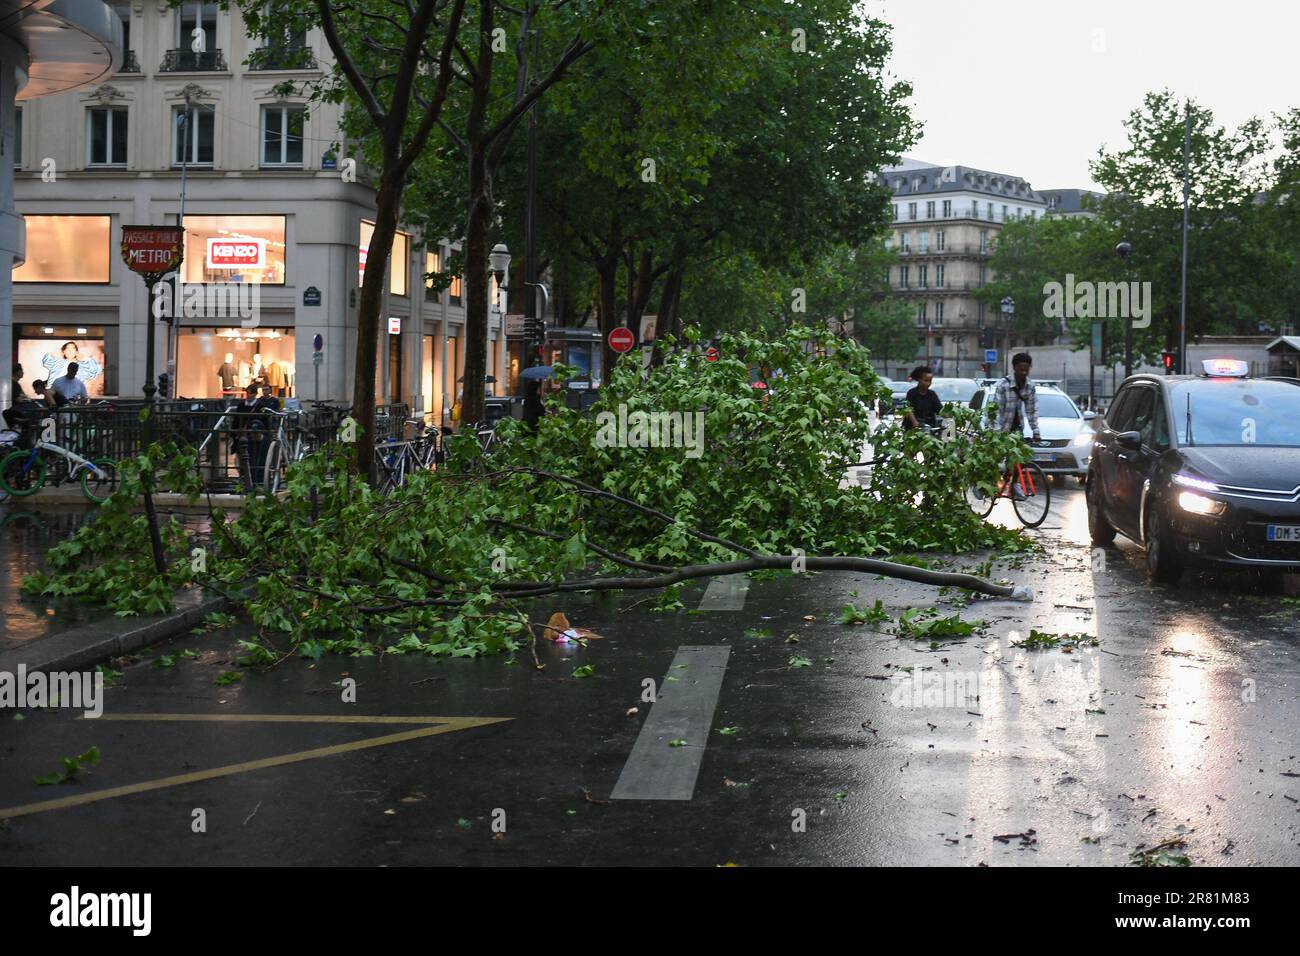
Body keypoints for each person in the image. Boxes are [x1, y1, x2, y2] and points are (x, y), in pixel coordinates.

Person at [994, 353, 1041, 443]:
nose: (1024, 373)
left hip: (1018, 431)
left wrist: (1035, 431)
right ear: (1014, 368)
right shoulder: (1003, 385)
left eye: (1026, 370)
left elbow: (1032, 410)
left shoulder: (1030, 386)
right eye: (1021, 369)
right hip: (1001, 431)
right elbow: (997, 410)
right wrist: (997, 433)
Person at [903, 365, 943, 432]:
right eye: (926, 380)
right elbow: (908, 410)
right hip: (912, 429)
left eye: (930, 381)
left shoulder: (932, 394)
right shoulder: (911, 393)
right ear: (919, 380)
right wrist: (915, 423)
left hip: (929, 428)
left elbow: (940, 409)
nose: (928, 383)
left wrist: (950, 414)